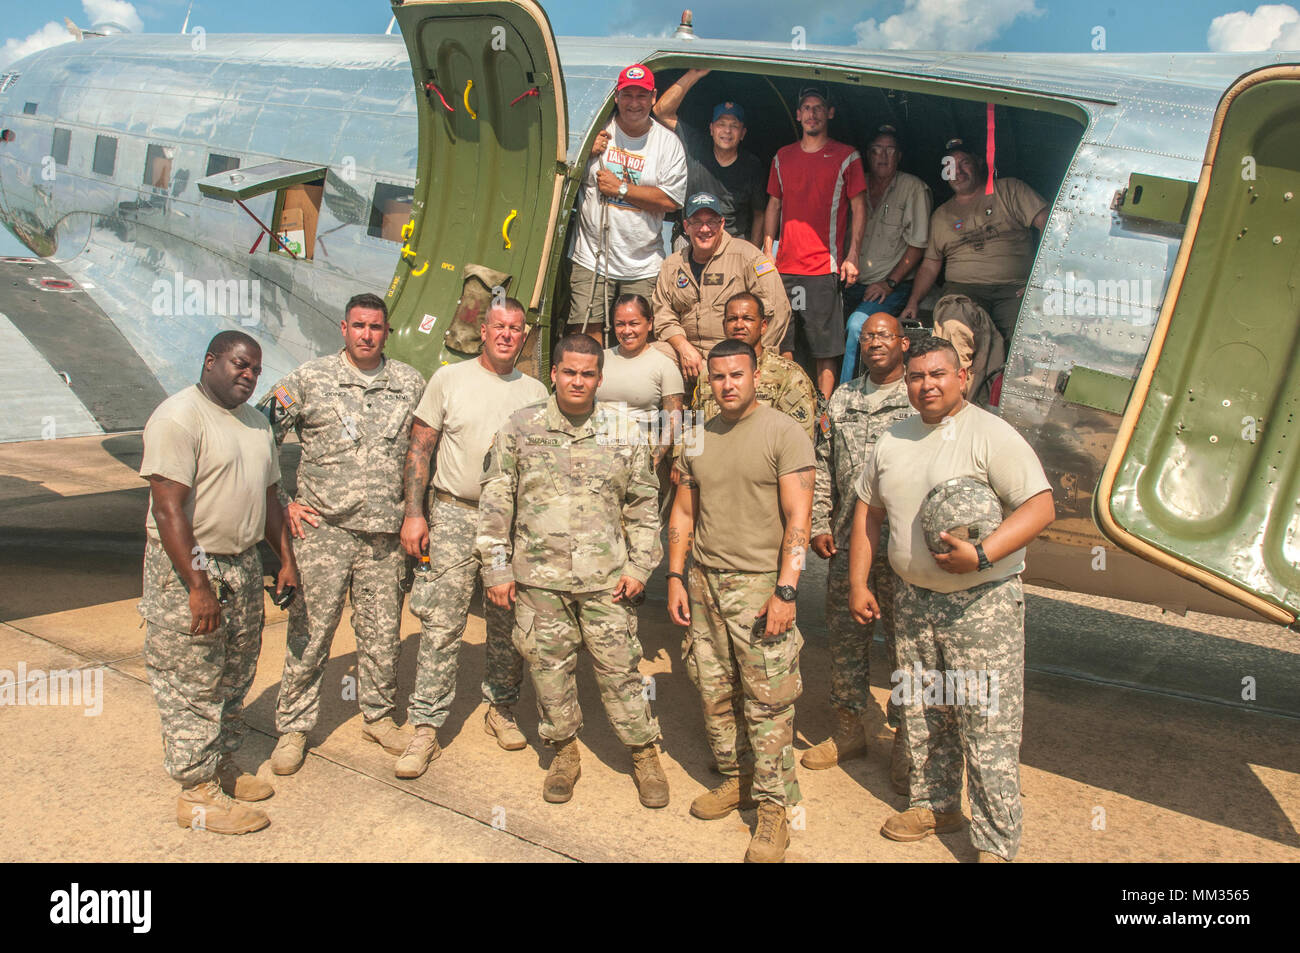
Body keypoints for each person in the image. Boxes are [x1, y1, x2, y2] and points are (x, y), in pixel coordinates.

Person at [849, 335, 1055, 863]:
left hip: (980, 604)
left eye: (937, 374)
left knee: (987, 725)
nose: (926, 385)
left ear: (961, 375)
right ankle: (934, 804)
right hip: (914, 602)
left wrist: (983, 554)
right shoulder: (893, 439)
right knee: (923, 714)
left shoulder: (991, 434)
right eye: (916, 377)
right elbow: (867, 514)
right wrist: (858, 582)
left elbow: (1039, 508)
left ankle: (994, 843)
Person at [476, 334, 669, 808]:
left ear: (600, 378)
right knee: (549, 671)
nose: (578, 381)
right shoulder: (521, 428)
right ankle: (563, 751)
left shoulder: (625, 430)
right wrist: (497, 571)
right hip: (539, 582)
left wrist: (641, 567)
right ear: (554, 374)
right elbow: (496, 503)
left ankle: (644, 752)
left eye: (587, 374)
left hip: (608, 581)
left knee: (621, 670)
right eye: (569, 372)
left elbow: (645, 507)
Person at [258, 293, 426, 776]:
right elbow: (258, 432)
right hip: (325, 532)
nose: (366, 335)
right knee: (311, 634)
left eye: (375, 327)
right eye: (358, 326)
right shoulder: (310, 379)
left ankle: (377, 715)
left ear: (387, 331)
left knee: (382, 634)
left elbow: (423, 449)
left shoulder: (409, 384)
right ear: (343, 328)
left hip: (384, 538)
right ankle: (293, 726)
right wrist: (284, 504)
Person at [139, 330, 298, 835]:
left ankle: (221, 766)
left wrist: (285, 560)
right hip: (193, 567)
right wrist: (197, 584)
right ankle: (196, 793)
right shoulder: (179, 417)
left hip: (243, 564)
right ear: (210, 362)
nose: (248, 376)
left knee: (233, 675)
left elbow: (270, 499)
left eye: (254, 369)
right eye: (238, 365)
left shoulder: (255, 424)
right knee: (193, 682)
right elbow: (169, 508)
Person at [667, 338, 815, 864]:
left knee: (769, 700)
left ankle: (776, 809)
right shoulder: (696, 437)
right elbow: (684, 513)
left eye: (736, 375)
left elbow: (799, 520)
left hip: (759, 586)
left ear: (755, 376)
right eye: (718, 377)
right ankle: (738, 778)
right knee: (712, 688)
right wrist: (676, 575)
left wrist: (786, 590)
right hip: (705, 581)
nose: (727, 385)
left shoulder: (784, 433)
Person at [396, 299, 548, 778]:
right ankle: (426, 725)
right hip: (455, 513)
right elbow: (421, 447)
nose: (507, 335)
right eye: (499, 326)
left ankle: (500, 708)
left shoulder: (537, 391)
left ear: (524, 336)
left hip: (510, 524)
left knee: (507, 624)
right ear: (482, 331)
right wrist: (415, 513)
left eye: (516, 329)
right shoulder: (449, 379)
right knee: (442, 623)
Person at [806, 313, 916, 786]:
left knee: (907, 645)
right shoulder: (844, 397)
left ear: (903, 344)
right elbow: (823, 463)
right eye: (866, 336)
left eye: (883, 336)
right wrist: (818, 521)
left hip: (906, 549)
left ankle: (910, 743)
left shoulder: (921, 396)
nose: (874, 343)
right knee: (846, 642)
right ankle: (848, 729)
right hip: (851, 542)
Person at [900, 139, 1048, 394]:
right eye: (950, 166)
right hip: (964, 293)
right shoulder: (942, 215)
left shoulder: (1009, 190)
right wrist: (913, 302)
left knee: (1028, 343)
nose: (957, 171)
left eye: (964, 163)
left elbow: (1051, 226)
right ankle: (953, 400)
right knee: (953, 327)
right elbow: (930, 265)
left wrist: (1040, 280)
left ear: (980, 162)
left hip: (1014, 291)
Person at [565, 64, 688, 340]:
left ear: (653, 97)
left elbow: (671, 200)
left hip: (643, 263)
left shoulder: (667, 144)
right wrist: (584, 153)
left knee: (638, 338)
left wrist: (621, 188)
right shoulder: (593, 134)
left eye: (641, 96)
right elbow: (559, 172)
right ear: (617, 97)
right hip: (591, 258)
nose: (635, 103)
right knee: (586, 335)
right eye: (628, 95)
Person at [764, 86, 867, 400]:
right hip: (785, 270)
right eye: (806, 108)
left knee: (825, 347)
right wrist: (766, 252)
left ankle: (822, 412)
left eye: (818, 107)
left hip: (824, 268)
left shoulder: (847, 156)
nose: (812, 113)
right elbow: (773, 205)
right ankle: (789, 403)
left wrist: (853, 256)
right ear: (798, 115)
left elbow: (860, 207)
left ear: (829, 113)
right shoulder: (783, 156)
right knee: (785, 343)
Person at [652, 192, 789, 383]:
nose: (705, 229)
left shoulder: (749, 257)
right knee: (650, 360)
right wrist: (683, 347)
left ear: (722, 224)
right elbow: (663, 316)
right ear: (686, 226)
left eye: (712, 222)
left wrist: (753, 357)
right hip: (688, 354)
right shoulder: (672, 265)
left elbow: (778, 310)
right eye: (697, 222)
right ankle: (666, 412)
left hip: (733, 355)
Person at [840, 126, 932, 384]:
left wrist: (889, 283)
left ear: (899, 156)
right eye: (876, 150)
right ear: (867, 155)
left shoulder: (913, 188)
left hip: (890, 285)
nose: (883, 156)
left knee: (858, 327)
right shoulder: (856, 184)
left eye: (890, 150)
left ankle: (844, 395)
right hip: (851, 282)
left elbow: (918, 246)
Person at [653, 68, 768, 246]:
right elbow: (661, 111)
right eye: (721, 124)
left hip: (731, 245)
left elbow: (760, 214)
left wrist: (753, 255)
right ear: (711, 129)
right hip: (691, 239)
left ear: (743, 133)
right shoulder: (695, 146)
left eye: (734, 125)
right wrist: (694, 73)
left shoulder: (752, 165)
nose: (727, 131)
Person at [692, 292, 817, 443]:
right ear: (724, 326)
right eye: (732, 319)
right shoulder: (709, 373)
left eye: (747, 319)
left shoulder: (788, 375)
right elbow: (694, 427)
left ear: (763, 326)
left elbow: (800, 440)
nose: (739, 325)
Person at [595, 293, 686, 463]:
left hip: (638, 454)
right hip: (596, 450)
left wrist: (656, 457)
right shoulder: (600, 359)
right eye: (620, 324)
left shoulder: (664, 365)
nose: (627, 331)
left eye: (634, 323)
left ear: (649, 323)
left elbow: (674, 420)